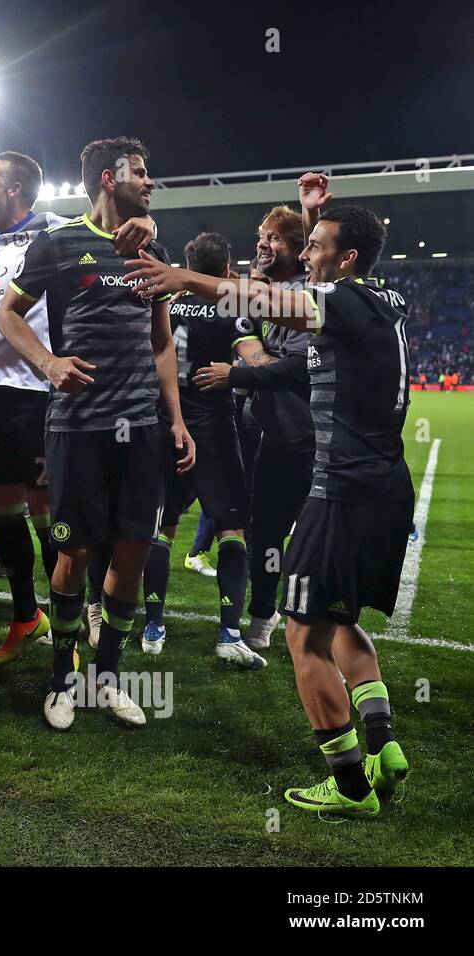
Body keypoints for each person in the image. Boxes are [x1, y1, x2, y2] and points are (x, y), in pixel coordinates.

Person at [127, 202, 412, 819]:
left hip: (343, 491)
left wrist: (187, 280)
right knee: (339, 619)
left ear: (348, 258)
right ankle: (383, 743)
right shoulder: (384, 301)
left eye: (318, 246)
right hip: (386, 487)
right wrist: (314, 217)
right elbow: (282, 320)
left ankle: (349, 784)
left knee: (302, 634)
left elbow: (272, 302)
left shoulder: (346, 302)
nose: (306, 257)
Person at [0, 137, 194, 730]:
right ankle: (61, 676)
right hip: (78, 426)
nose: (150, 181)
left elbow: (162, 343)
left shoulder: (150, 248)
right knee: (73, 550)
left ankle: (107, 677)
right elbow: (8, 313)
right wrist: (49, 363)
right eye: (141, 171)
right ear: (109, 178)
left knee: (132, 550)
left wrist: (177, 419)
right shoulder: (57, 244)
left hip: (141, 426)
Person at [191, 201, 315, 651]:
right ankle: (263, 613)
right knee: (263, 529)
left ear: (299, 248)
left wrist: (237, 373)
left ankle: (308, 619)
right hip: (262, 429)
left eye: (275, 237)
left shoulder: (307, 296)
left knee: (303, 530)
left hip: (301, 437)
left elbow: (299, 367)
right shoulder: (261, 291)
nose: (262, 243)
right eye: (261, 235)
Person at [143, 232, 264, 666]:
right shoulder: (229, 305)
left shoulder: (167, 303)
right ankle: (230, 633)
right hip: (213, 428)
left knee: (163, 526)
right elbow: (251, 355)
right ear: (228, 271)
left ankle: (153, 626)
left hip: (165, 426)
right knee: (232, 528)